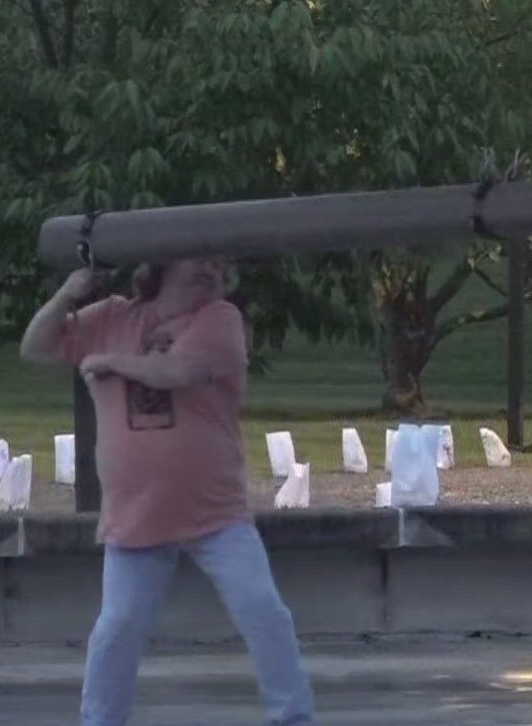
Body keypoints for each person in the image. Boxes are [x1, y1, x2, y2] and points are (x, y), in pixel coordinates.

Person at [20, 258, 314, 726]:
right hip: (135, 514)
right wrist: (68, 294)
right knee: (118, 627)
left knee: (264, 611)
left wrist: (109, 361)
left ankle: (293, 717)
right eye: (196, 257)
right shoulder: (112, 316)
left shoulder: (219, 318)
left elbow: (176, 371)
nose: (209, 268)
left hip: (215, 512)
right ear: (162, 264)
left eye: (216, 262)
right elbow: (35, 347)